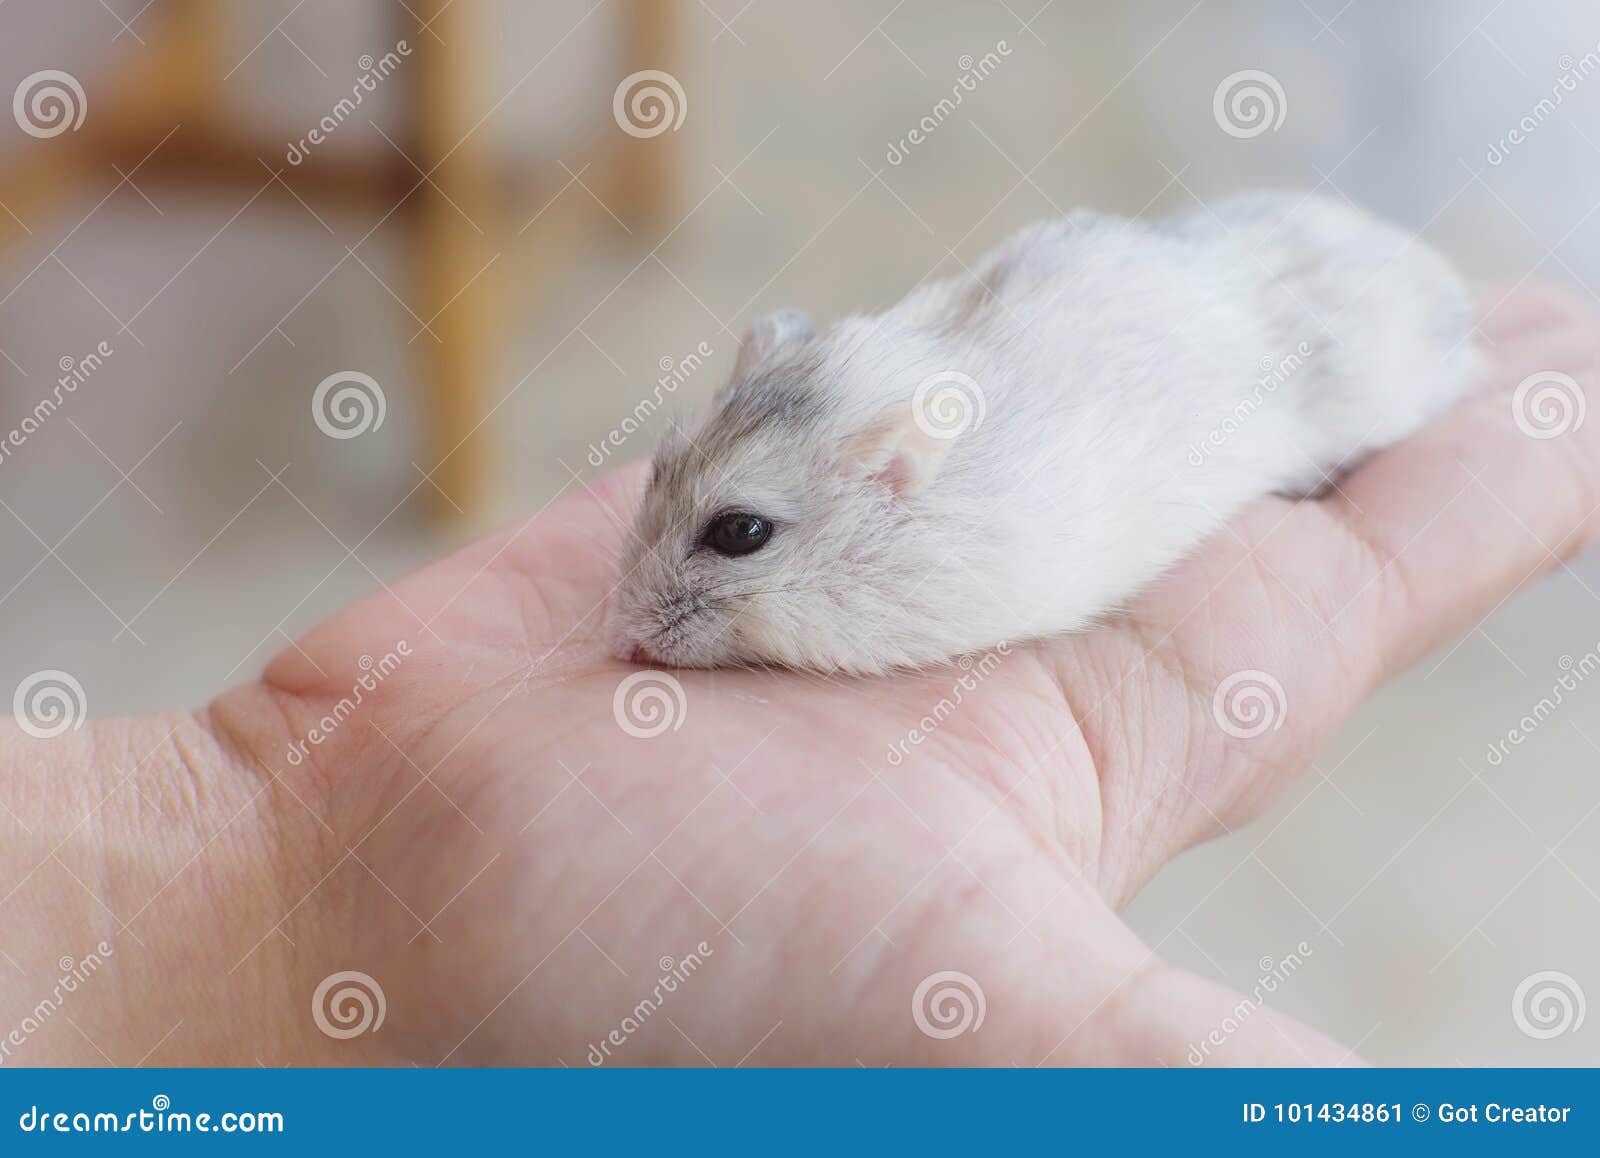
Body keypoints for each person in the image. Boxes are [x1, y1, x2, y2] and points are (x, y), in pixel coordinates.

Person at [1, 287, 1593, 1066]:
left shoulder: (977, 500)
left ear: (901, 473)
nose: (647, 620)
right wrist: (263, 854)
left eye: (739, 540)